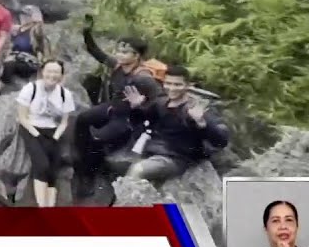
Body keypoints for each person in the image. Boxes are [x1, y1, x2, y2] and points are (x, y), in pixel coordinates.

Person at [72, 14, 162, 197]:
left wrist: (140, 106)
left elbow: (160, 104)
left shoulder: (144, 78)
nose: (119, 54)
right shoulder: (117, 66)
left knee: (97, 138)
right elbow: (96, 52)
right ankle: (80, 159)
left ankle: (89, 175)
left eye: (124, 52)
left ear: (136, 56)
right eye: (119, 50)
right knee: (82, 119)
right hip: (112, 107)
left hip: (129, 119)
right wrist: (87, 32)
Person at [105, 64, 231, 182]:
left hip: (176, 158)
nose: (172, 88)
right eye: (168, 83)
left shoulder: (194, 108)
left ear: (187, 85)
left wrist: (202, 123)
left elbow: (221, 141)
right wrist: (137, 107)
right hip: (153, 149)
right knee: (115, 165)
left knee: (138, 170)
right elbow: (144, 119)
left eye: (177, 84)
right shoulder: (161, 103)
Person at [15, 60, 76, 208]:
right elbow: (22, 117)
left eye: (56, 72)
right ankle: (42, 206)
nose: (52, 75)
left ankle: (50, 207)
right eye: (49, 71)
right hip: (31, 128)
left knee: (53, 169)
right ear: (42, 72)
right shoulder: (31, 89)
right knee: (41, 165)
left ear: (61, 75)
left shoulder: (64, 94)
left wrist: (55, 136)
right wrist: (37, 135)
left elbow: (64, 122)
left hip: (53, 131)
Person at [0, 5, 49, 85]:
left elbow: (43, 49)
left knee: (9, 65)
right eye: (22, 15)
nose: (23, 17)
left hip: (29, 62)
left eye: (27, 15)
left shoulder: (36, 31)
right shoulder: (18, 30)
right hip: (15, 58)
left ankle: (5, 86)